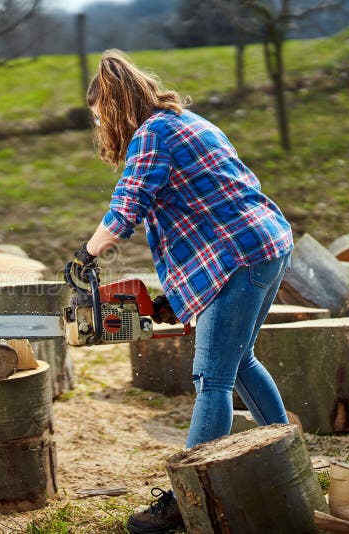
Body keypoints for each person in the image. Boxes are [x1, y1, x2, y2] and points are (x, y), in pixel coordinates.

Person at [70, 50, 294, 534]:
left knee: (211, 378)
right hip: (265, 244)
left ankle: (184, 496)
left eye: (97, 116)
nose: (98, 126)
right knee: (241, 361)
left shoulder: (153, 133)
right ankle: (288, 458)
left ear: (113, 106)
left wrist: (85, 255)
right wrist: (181, 296)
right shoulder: (186, 120)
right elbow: (199, 209)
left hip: (239, 255)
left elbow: (129, 204)